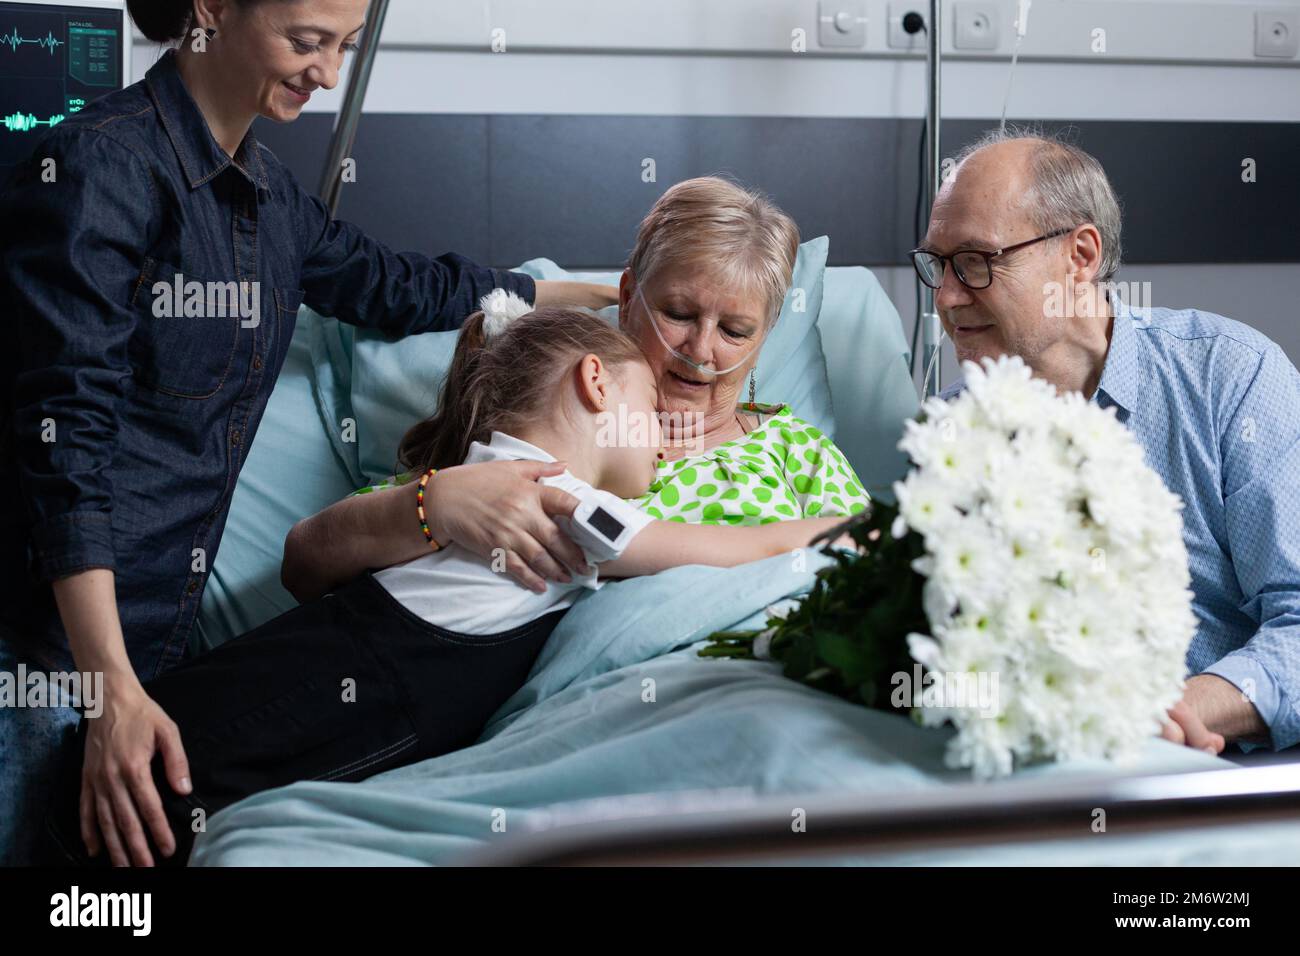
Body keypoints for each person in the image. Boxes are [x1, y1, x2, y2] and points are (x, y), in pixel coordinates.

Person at [0, 0, 613, 866]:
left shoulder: (270, 200)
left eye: (346, 47)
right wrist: (108, 693)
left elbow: (395, 284)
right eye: (306, 41)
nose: (327, 74)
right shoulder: (99, 169)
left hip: (153, 653)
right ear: (211, 10)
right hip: (47, 661)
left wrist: (581, 293)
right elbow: (65, 447)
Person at [46, 299, 855, 867]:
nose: (668, 442)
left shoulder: (485, 471)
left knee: (140, 824)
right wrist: (859, 528)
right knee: (138, 810)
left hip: (347, 684)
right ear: (597, 384)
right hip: (331, 684)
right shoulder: (567, 501)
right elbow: (726, 548)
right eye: (649, 402)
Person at [281, 175, 873, 606]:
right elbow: (305, 562)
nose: (699, 349)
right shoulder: (548, 419)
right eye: (678, 313)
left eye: (735, 330)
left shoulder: (799, 455)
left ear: (765, 337)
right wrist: (432, 505)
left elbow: (882, 580)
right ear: (626, 297)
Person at [909, 126, 1300, 755]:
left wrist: (1182, 708)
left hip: (1226, 781)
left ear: (1080, 256)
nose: (948, 297)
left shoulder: (1230, 379)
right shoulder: (952, 434)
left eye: (977, 261)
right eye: (938, 264)